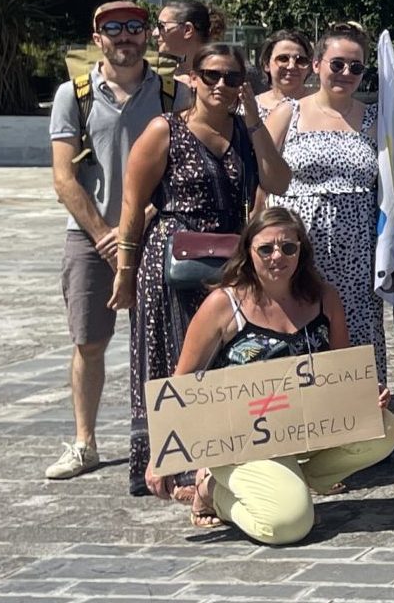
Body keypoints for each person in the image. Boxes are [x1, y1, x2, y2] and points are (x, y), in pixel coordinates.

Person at [110, 44, 290, 496]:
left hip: (228, 262)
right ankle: (165, 466)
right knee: (168, 357)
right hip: (168, 261)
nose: (221, 86)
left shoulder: (247, 132)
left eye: (232, 78)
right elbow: (132, 207)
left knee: (221, 361)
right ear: (192, 77)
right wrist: (125, 270)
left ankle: (211, 462)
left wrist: (252, 117)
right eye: (211, 76)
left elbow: (278, 181)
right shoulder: (164, 130)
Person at [165, 207, 394, 542]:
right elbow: (181, 382)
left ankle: (295, 481)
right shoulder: (223, 303)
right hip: (240, 440)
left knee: (385, 427)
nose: (278, 256)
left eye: (289, 247)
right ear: (248, 251)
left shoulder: (324, 298)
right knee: (288, 525)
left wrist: (366, 393)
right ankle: (214, 492)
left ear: (301, 251)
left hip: (302, 429)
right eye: (266, 248)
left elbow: (341, 369)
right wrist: (162, 454)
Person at [45, 1, 186, 480]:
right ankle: (84, 441)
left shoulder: (174, 94)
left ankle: (173, 438)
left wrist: (135, 226)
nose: (124, 36)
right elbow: (64, 179)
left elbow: (179, 169)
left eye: (133, 28)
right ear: (97, 36)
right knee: (89, 340)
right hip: (90, 237)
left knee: (168, 338)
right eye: (113, 29)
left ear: (147, 35)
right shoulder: (75, 94)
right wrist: (105, 235)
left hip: (155, 230)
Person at [266, 24, 385, 387]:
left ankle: (357, 416)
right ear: (317, 64)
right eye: (337, 64)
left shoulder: (374, 119)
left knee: (352, 326)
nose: (346, 74)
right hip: (298, 247)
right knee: (297, 323)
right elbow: (262, 181)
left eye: (356, 67)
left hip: (356, 252)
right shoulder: (289, 113)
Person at [154, 0, 223, 88]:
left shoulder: (224, 79)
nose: (154, 33)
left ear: (187, 30)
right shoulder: (157, 78)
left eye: (161, 26)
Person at [254, 29, 315, 119]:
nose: (291, 66)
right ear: (266, 64)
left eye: (300, 60)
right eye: (283, 59)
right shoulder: (250, 107)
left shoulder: (324, 106)